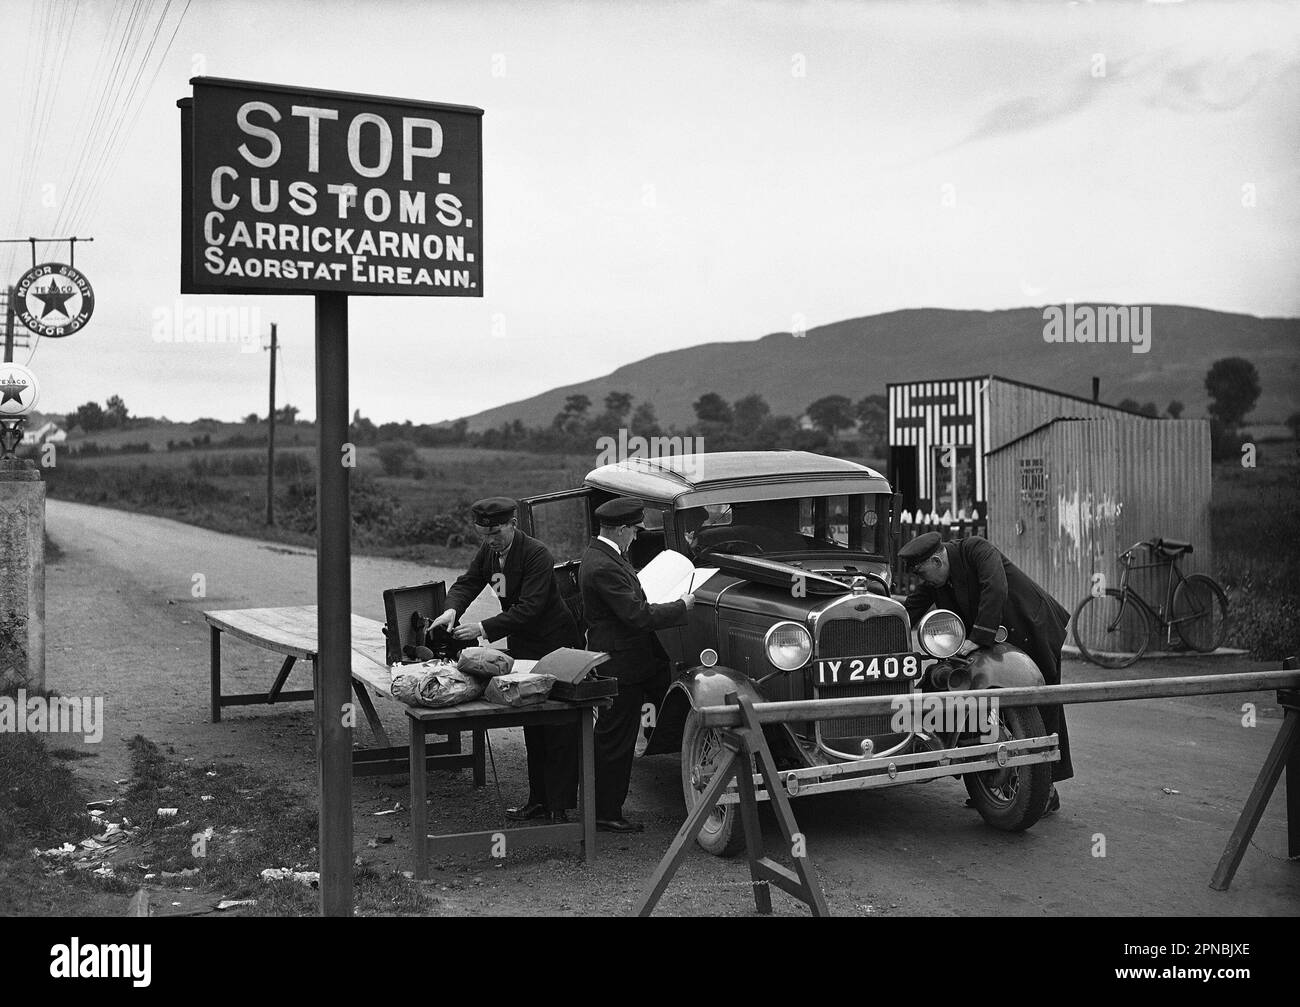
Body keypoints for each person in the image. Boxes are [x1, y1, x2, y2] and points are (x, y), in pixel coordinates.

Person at [431, 497, 582, 824]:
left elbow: (531, 607)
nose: (490, 540)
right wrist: (452, 609)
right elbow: (468, 583)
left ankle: (560, 806)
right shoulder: (489, 551)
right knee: (533, 720)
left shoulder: (537, 554)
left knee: (560, 724)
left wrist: (483, 628)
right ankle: (538, 800)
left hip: (556, 644)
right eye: (484, 534)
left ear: (513, 524)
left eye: (496, 532)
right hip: (525, 643)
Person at [898, 531, 1073, 813]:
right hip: (1000, 639)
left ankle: (1046, 789)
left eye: (922, 573)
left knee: (1040, 705)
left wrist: (978, 637)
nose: (922, 581)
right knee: (984, 700)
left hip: (1031, 627)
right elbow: (910, 609)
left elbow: (996, 588)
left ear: (936, 560)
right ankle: (987, 780)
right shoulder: (937, 578)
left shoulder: (976, 550)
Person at [580, 497, 694, 832]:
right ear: (620, 529)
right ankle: (605, 813)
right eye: (634, 529)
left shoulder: (605, 556)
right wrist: (681, 607)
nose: (636, 536)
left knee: (619, 734)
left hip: (635, 661)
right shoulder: (603, 565)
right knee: (615, 740)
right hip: (622, 665)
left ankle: (607, 807)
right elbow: (636, 615)